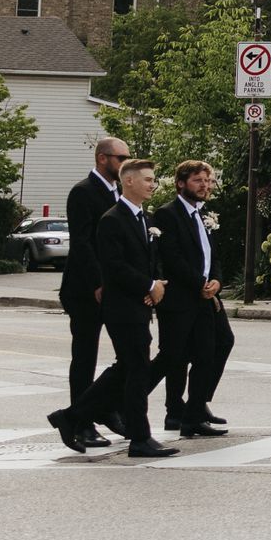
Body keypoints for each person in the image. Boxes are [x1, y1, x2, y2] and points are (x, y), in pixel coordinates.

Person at [46, 135, 127, 454]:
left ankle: (104, 407)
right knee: (85, 356)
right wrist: (98, 283)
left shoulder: (120, 192)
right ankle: (82, 422)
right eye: (121, 158)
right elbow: (81, 243)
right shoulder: (83, 192)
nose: (125, 163)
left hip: (116, 288)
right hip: (84, 290)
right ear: (102, 159)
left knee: (128, 353)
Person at [94, 158, 177, 459]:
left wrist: (155, 285)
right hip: (121, 309)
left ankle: (74, 416)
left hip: (139, 305)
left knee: (133, 370)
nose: (152, 184)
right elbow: (115, 267)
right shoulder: (112, 219)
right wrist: (147, 286)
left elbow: (151, 259)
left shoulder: (146, 218)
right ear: (128, 181)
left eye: (153, 179)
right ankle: (139, 438)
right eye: (147, 179)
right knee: (137, 371)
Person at [154, 160, 233, 439]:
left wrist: (217, 281)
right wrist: (200, 284)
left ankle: (196, 406)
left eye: (208, 181)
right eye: (199, 180)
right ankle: (178, 411)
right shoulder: (167, 214)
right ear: (181, 183)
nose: (205, 186)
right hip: (181, 296)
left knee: (218, 345)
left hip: (206, 294)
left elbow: (212, 255)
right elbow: (171, 258)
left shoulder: (204, 214)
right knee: (177, 356)